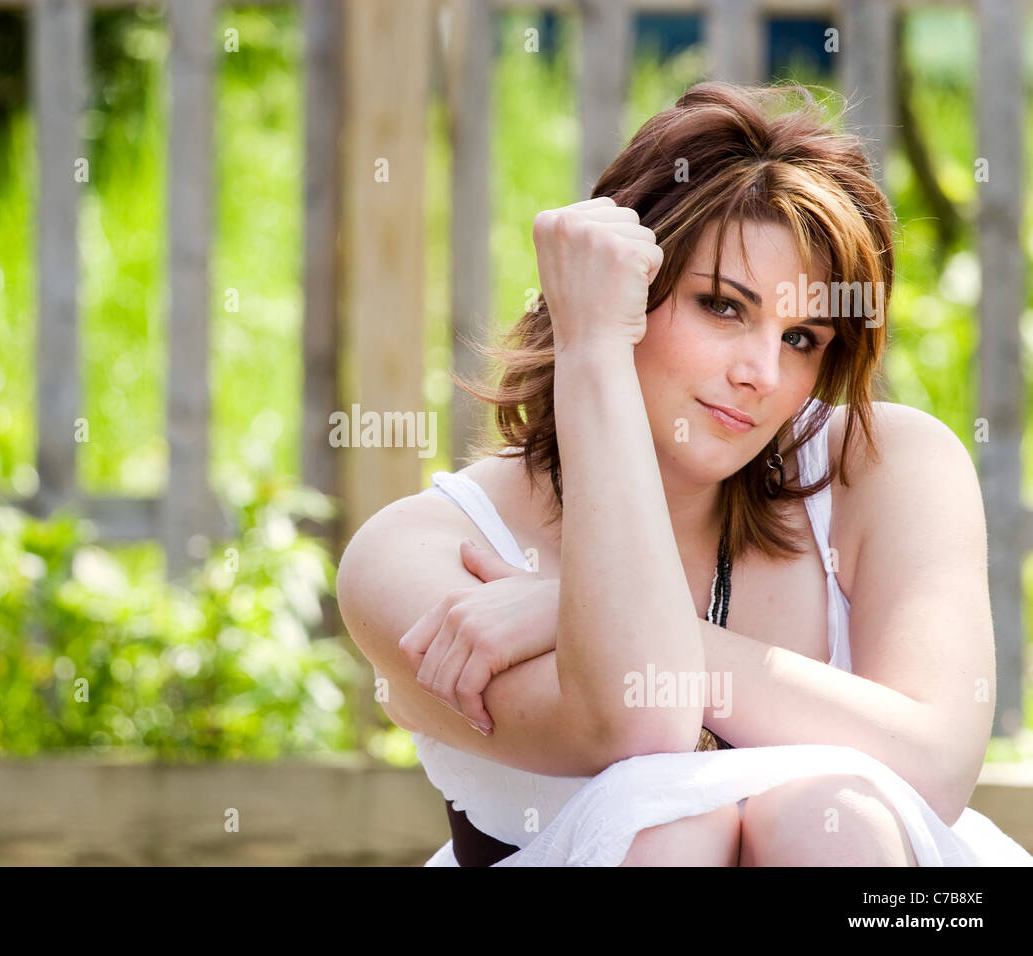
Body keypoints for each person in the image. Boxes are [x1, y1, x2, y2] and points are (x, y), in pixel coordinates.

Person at [335, 81, 1033, 866]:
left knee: (830, 816)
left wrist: (577, 614)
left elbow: (937, 767)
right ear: (620, 295)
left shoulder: (883, 469)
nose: (762, 373)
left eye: (803, 337)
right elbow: (639, 724)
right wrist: (590, 348)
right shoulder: (422, 553)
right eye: (723, 307)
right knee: (667, 831)